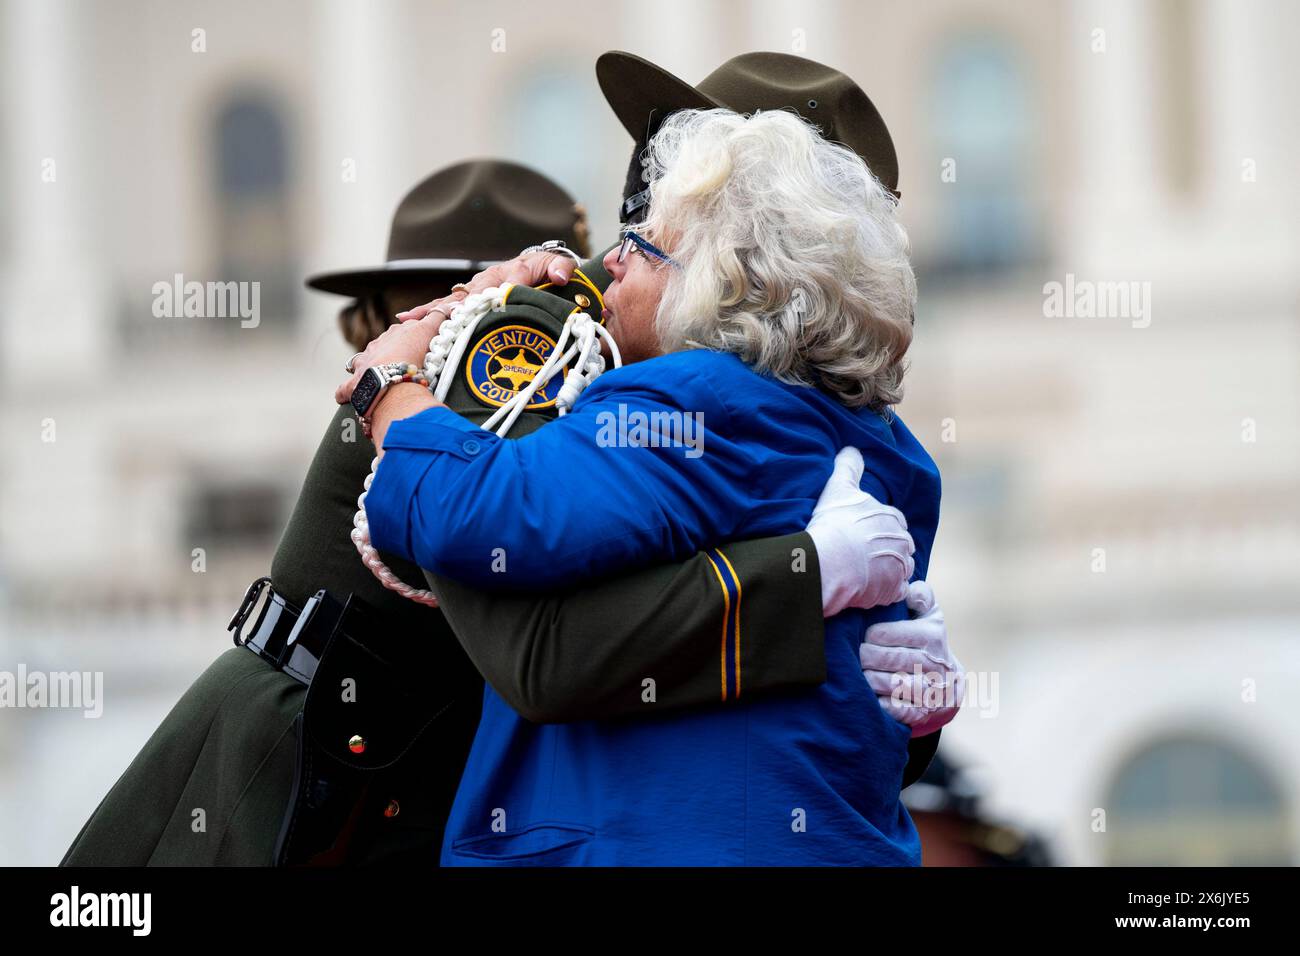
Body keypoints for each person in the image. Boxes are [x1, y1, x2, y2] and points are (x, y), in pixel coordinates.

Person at [60, 159, 950, 866]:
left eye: (635, 243)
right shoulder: (508, 365)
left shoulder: (632, 390)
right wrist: (813, 578)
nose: (601, 271)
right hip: (322, 769)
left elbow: (657, 661)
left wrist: (872, 665)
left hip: (384, 756)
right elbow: (550, 648)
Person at [353, 107, 945, 865]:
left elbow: (485, 512)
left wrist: (392, 386)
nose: (613, 265)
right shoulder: (895, 452)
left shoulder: (691, 401)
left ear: (717, 276)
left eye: (641, 244)